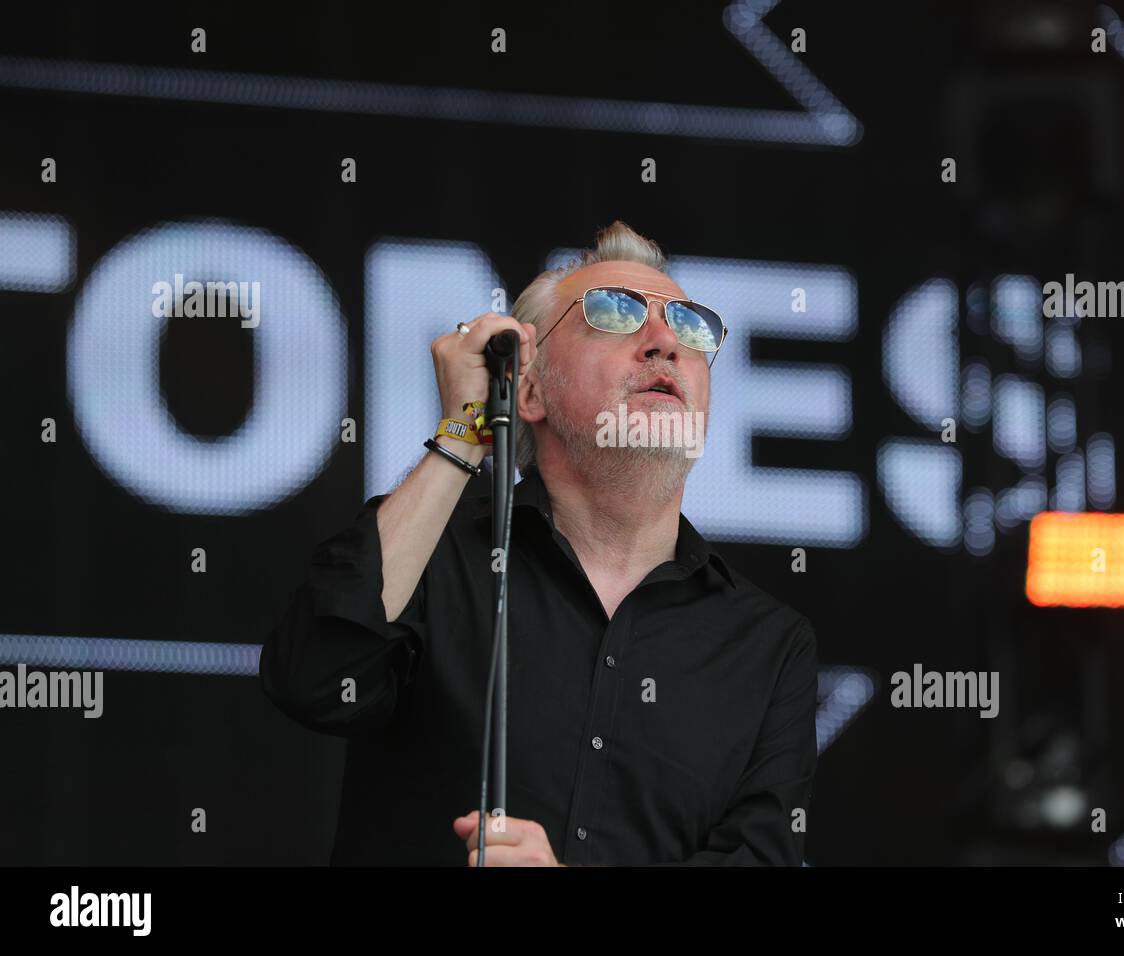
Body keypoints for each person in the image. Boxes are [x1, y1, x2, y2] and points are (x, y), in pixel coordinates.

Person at [260, 220, 819, 866]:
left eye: (690, 327)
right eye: (615, 314)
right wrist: (465, 430)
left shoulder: (767, 644)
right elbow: (313, 679)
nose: (666, 342)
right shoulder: (435, 554)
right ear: (529, 390)